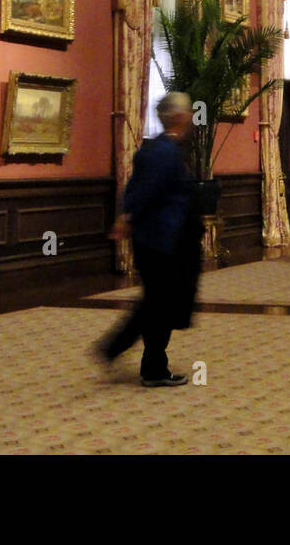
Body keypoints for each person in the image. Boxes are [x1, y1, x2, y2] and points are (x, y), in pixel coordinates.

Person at [97, 92, 202, 386]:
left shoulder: (157, 148)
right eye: (190, 112)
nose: (193, 117)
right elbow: (144, 192)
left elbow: (134, 188)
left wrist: (126, 216)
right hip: (162, 242)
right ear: (179, 117)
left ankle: (146, 363)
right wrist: (127, 218)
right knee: (158, 304)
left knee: (157, 303)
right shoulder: (164, 151)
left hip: (159, 240)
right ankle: (136, 359)